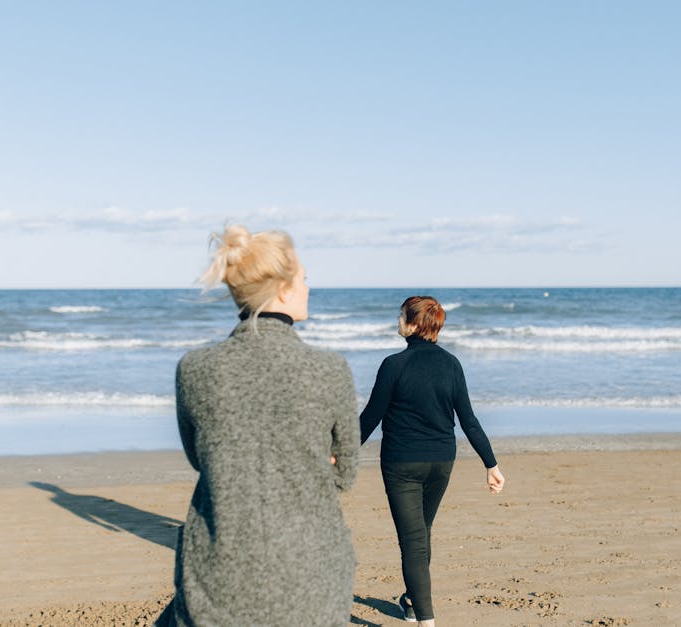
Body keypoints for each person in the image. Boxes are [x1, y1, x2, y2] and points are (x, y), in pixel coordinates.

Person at [156, 226, 360, 626]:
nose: (308, 288)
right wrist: (313, 464)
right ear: (283, 288)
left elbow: (201, 459)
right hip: (311, 573)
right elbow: (345, 473)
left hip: (217, 569)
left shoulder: (195, 369)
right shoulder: (329, 369)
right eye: (304, 279)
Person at [359, 296, 505, 626]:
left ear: (413, 325)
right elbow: (468, 420)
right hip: (441, 462)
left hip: (402, 465)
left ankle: (426, 620)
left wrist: (339, 452)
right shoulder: (452, 364)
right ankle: (411, 601)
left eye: (400, 317)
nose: (397, 322)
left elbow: (370, 418)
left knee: (412, 542)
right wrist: (491, 465)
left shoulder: (393, 365)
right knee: (421, 534)